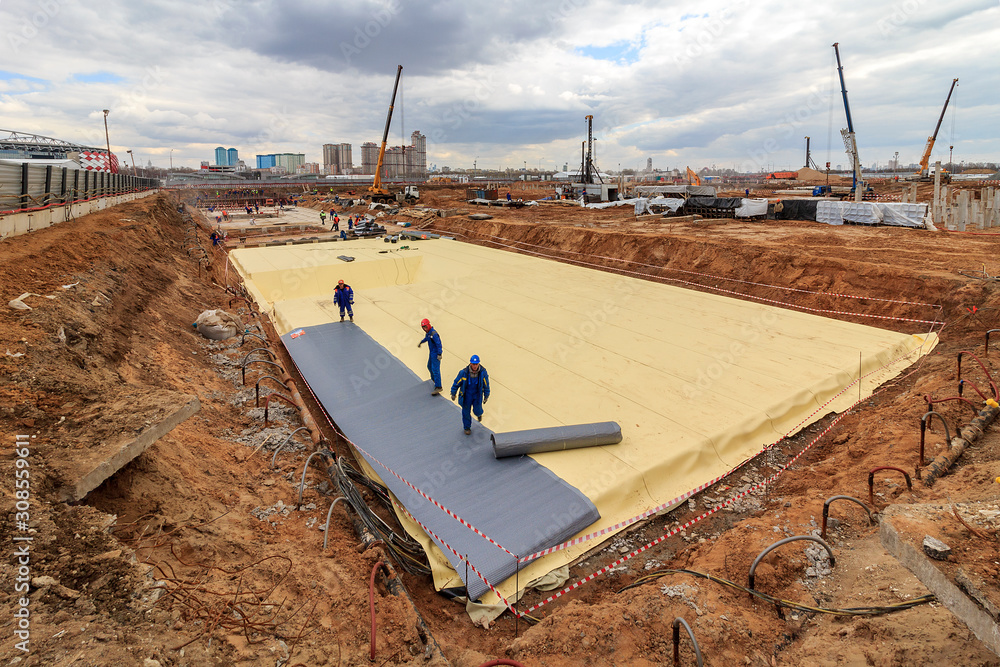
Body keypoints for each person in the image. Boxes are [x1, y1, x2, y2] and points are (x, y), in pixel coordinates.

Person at [451, 355, 490, 434]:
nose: (475, 366)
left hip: (477, 396)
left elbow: (486, 384)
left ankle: (479, 414)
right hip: (466, 396)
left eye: (476, 364)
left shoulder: (483, 373)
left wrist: (486, 395)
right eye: (473, 364)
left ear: (478, 364)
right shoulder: (463, 373)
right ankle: (467, 428)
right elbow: (457, 382)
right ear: (470, 363)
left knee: (477, 410)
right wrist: (453, 393)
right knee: (466, 412)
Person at [417, 318, 443, 394]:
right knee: (429, 366)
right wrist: (421, 342)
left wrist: (439, 354)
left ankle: (438, 387)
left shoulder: (434, 334)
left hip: (435, 354)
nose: (424, 329)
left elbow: (439, 344)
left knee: (435, 370)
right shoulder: (428, 333)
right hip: (431, 353)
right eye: (423, 328)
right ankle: (434, 380)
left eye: (425, 327)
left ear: (428, 325)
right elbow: (426, 338)